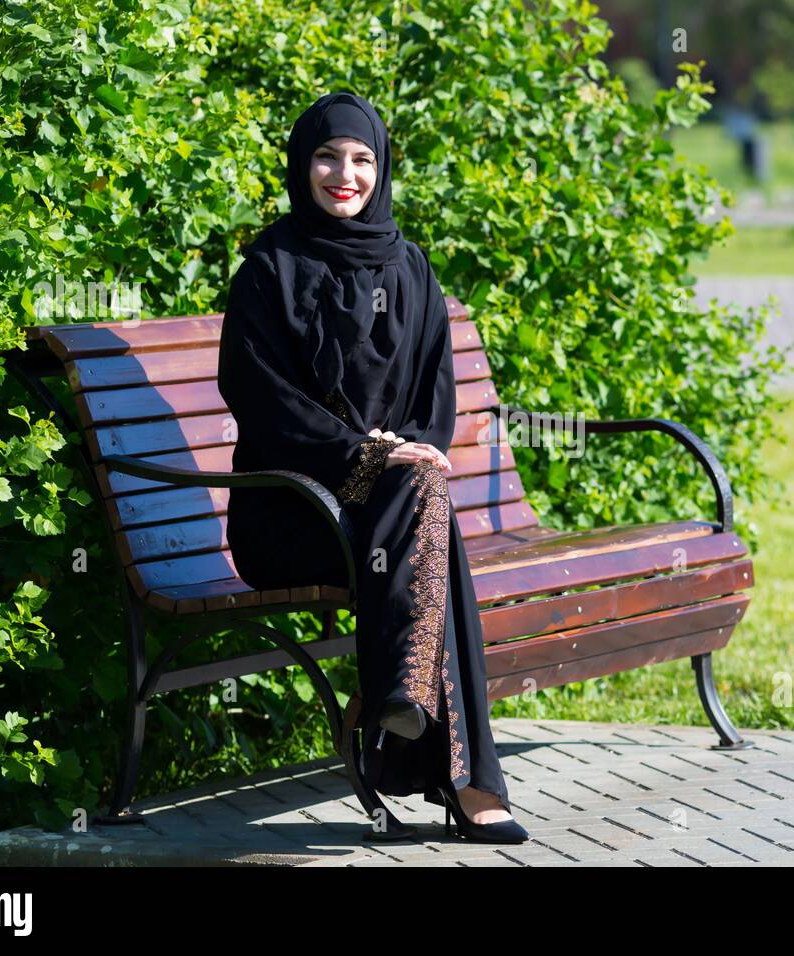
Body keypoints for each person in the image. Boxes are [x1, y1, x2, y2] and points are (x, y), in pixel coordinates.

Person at [217, 91, 528, 844]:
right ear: (302, 165)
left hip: (392, 519)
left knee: (421, 493)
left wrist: (404, 454)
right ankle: (466, 780)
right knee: (424, 507)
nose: (343, 174)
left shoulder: (411, 268)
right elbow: (260, 399)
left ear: (381, 167)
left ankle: (408, 700)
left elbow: (435, 404)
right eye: (327, 157)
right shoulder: (269, 268)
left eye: (361, 159)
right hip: (295, 514)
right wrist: (368, 455)